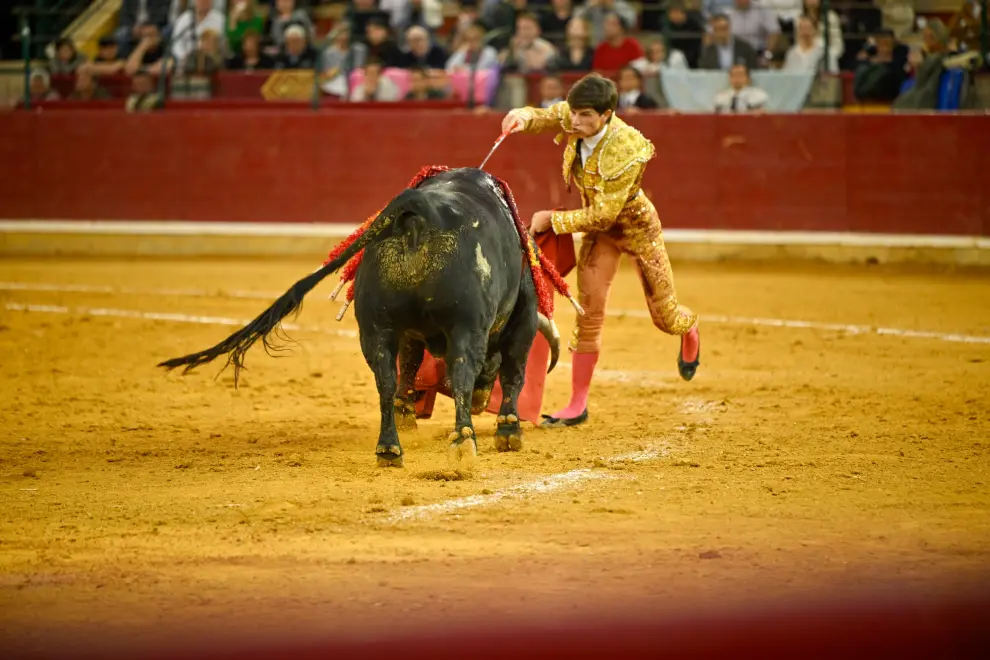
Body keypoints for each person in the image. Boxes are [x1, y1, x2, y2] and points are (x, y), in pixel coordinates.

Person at [500, 73, 701, 428]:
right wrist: (522, 116)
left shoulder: (627, 147)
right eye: (574, 113)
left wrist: (553, 220)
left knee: (665, 315)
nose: (575, 121)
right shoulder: (576, 116)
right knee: (588, 313)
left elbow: (605, 213)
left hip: (637, 229)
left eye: (585, 116)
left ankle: (689, 329)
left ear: (607, 114)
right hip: (600, 236)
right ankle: (578, 404)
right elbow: (547, 117)